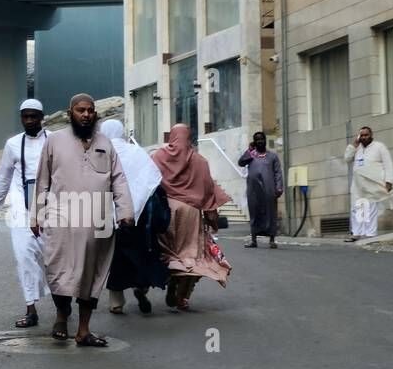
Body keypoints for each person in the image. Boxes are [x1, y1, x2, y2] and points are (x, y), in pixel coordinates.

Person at [31, 94, 133, 348]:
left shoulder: (105, 143)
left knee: (93, 275)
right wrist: (37, 214)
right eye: (81, 110)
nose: (86, 114)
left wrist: (125, 211)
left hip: (98, 219)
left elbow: (119, 179)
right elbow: (43, 179)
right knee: (58, 270)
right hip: (61, 218)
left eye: (90, 110)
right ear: (71, 113)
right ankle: (62, 316)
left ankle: (84, 330)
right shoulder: (54, 141)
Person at [0, 99, 49, 329]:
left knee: (53, 257)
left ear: (42, 116)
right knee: (24, 257)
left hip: (52, 206)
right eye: (25, 116)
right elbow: (3, 177)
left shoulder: (56, 141)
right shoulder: (12, 144)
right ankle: (31, 308)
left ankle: (63, 304)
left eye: (34, 116)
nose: (29, 120)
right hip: (21, 206)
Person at [153, 123, 232, 310]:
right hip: (191, 216)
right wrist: (212, 218)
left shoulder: (157, 157)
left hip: (166, 213)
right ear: (189, 138)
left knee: (169, 254)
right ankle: (182, 296)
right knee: (194, 256)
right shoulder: (200, 162)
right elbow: (208, 191)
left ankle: (172, 280)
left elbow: (148, 183)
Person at [100, 119, 170, 315]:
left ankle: (116, 302)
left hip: (108, 218)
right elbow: (153, 179)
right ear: (122, 132)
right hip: (137, 217)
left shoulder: (100, 154)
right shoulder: (136, 152)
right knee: (141, 255)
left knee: (115, 260)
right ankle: (141, 289)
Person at [344, 126, 393, 240]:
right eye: (361, 135)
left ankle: (370, 234)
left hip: (373, 183)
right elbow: (347, 158)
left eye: (366, 135)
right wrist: (354, 145)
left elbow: (388, 164)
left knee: (371, 208)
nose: (364, 137)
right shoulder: (357, 148)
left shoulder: (379, 147)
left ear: (371, 135)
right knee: (356, 208)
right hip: (358, 185)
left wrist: (389, 181)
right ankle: (356, 233)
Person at [238, 131, 283, 248]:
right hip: (254, 191)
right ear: (254, 142)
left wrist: (279, 187)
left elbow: (278, 173)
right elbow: (241, 162)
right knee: (254, 213)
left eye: (261, 139)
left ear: (265, 140)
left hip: (269, 189)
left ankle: (272, 240)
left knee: (271, 213)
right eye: (257, 140)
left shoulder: (272, 156)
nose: (260, 141)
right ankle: (254, 240)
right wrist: (249, 150)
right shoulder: (251, 155)